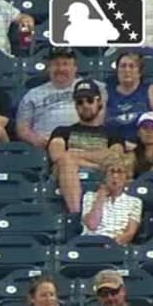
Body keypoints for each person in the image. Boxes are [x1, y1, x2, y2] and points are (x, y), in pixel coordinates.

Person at [49, 79, 118, 214]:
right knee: (66, 162)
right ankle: (77, 214)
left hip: (101, 176)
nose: (85, 105)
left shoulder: (112, 132)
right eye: (80, 102)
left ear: (99, 102)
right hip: (68, 173)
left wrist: (74, 155)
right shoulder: (61, 131)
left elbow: (115, 157)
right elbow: (57, 156)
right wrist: (97, 162)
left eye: (90, 100)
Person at [16, 49, 99, 151]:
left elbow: (103, 115)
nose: (60, 69)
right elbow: (22, 129)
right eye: (56, 64)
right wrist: (36, 140)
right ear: (49, 68)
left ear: (75, 68)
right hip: (47, 147)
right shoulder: (33, 95)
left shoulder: (91, 87)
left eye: (65, 64)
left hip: (84, 142)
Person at [81, 151, 141, 245]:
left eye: (120, 172)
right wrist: (100, 198)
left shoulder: (135, 202)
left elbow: (129, 234)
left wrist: (111, 244)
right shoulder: (90, 196)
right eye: (111, 171)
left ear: (127, 177)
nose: (115, 176)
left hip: (117, 246)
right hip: (91, 243)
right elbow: (92, 225)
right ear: (105, 175)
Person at [103, 51, 153, 148]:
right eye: (123, 66)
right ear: (117, 71)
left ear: (139, 72)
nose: (127, 70)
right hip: (114, 148)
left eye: (132, 66)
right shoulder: (106, 93)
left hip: (143, 149)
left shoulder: (152, 91)